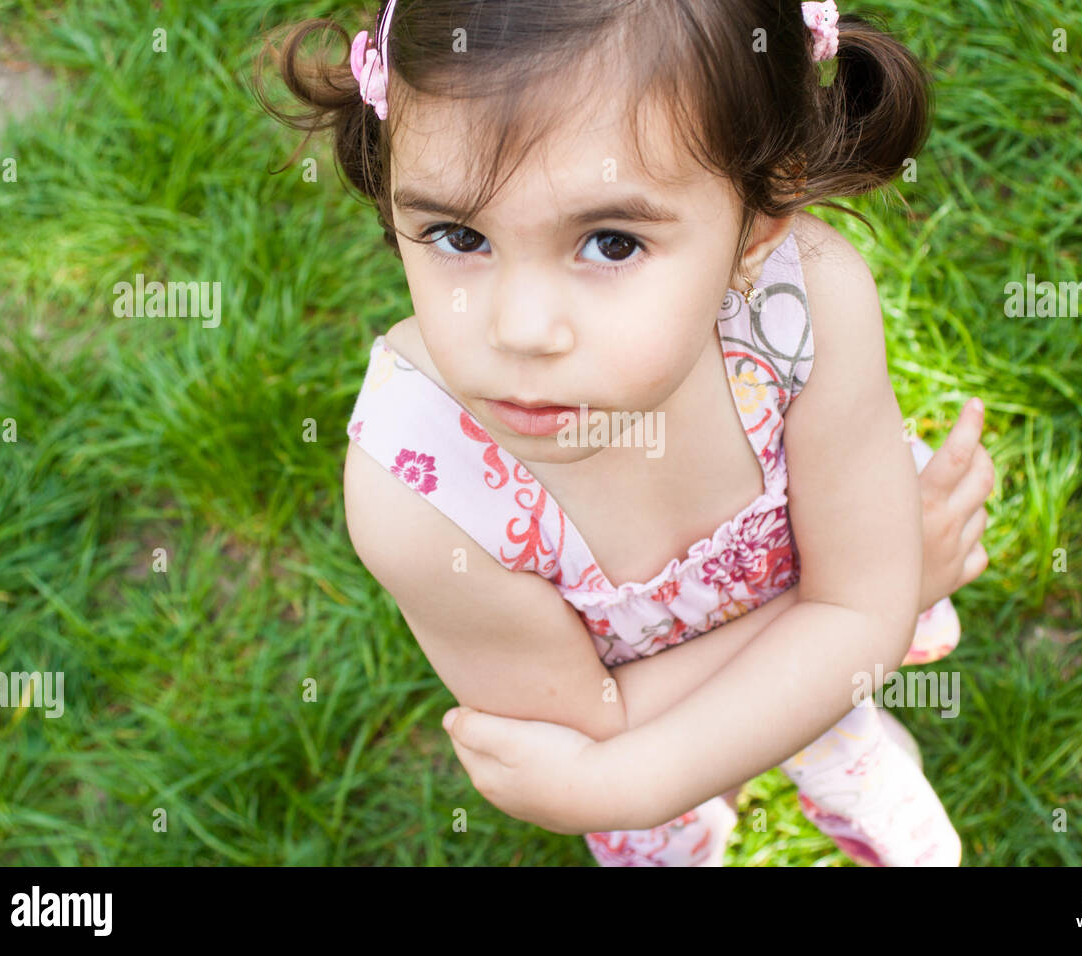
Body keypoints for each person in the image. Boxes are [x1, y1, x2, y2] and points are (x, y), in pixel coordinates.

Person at [257, 0, 993, 866]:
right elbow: (585, 728)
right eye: (459, 235)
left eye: (609, 243)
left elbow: (603, 759)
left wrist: (620, 783)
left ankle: (844, 751)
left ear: (761, 220)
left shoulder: (805, 309)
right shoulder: (419, 493)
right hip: (706, 701)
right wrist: (868, 599)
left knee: (839, 712)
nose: (521, 330)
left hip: (710, 713)